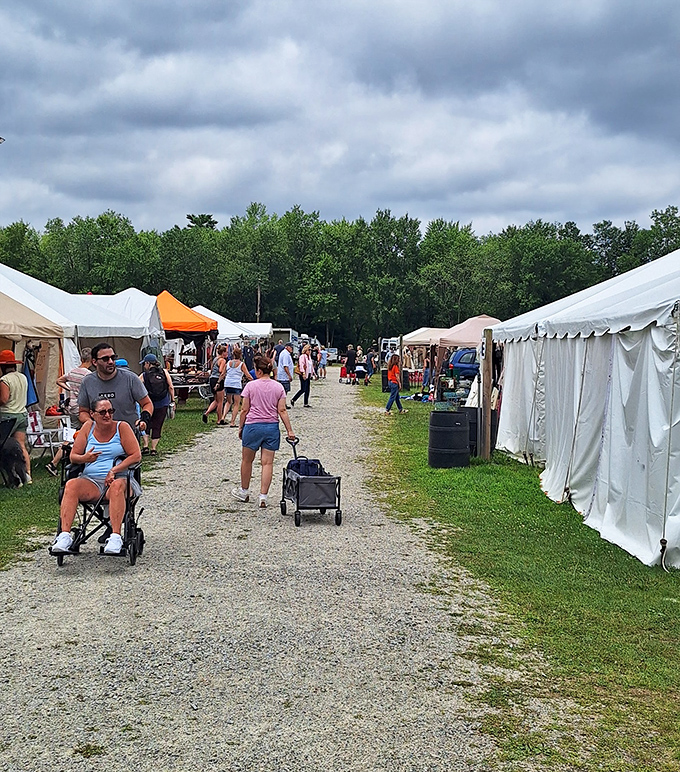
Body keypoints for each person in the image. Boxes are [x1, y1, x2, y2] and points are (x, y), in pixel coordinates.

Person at [51, 398, 142, 555]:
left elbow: (136, 455)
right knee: (71, 485)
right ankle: (64, 536)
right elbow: (73, 456)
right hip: (92, 480)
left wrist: (114, 470)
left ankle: (115, 536)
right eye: (102, 412)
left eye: (110, 411)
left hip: (120, 479)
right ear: (92, 414)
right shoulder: (88, 427)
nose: (107, 415)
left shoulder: (122, 427)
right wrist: (85, 458)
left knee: (116, 487)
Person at [231, 356, 295, 508]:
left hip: (253, 426)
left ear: (259, 371)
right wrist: (289, 430)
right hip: (271, 427)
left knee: (247, 460)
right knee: (267, 463)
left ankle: (244, 491)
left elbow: (244, 409)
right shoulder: (278, 387)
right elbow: (282, 410)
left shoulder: (251, 386)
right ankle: (263, 496)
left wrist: (241, 427)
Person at [78, 344, 152, 434]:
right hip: (99, 436)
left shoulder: (130, 378)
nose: (111, 362)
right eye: (105, 359)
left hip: (128, 435)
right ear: (94, 362)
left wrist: (144, 419)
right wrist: (91, 424)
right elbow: (83, 412)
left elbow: (147, 403)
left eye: (113, 358)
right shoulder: (87, 382)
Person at [0, 349, 31, 483]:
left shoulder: (4, 380)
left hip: (8, 415)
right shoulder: (22, 377)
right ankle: (28, 475)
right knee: (21, 445)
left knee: (4, 447)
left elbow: (4, 399)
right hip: (22, 414)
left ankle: (11, 476)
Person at [139, 354, 175, 455]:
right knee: (157, 425)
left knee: (146, 423)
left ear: (148, 363)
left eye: (144, 364)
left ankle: (145, 446)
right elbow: (171, 387)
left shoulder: (144, 375)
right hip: (162, 402)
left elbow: (136, 385)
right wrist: (172, 400)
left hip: (148, 404)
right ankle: (153, 449)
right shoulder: (164, 372)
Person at [222, 347, 253, 427]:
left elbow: (223, 374)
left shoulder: (228, 363)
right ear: (241, 355)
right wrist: (253, 381)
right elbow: (247, 375)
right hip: (236, 384)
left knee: (228, 402)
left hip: (227, 383)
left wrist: (219, 382)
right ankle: (232, 422)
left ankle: (223, 417)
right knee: (236, 404)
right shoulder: (241, 364)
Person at [204, 344, 227, 424]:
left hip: (212, 379)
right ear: (223, 352)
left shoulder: (215, 359)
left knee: (216, 400)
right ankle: (219, 419)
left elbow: (211, 369)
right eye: (226, 352)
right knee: (220, 401)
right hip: (218, 380)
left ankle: (206, 413)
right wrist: (225, 370)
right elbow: (221, 370)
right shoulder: (222, 360)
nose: (227, 354)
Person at [290, 344, 314, 408]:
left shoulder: (309, 357)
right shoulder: (302, 356)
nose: (310, 351)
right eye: (309, 350)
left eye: (310, 350)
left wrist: (314, 373)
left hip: (308, 374)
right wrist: (303, 373)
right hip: (304, 374)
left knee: (307, 389)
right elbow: (301, 365)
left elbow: (311, 366)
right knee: (303, 389)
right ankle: (293, 399)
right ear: (305, 350)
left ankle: (306, 403)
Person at [276, 341, 295, 408]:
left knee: (284, 391)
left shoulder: (285, 353)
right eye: (291, 347)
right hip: (284, 376)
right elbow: (285, 366)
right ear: (287, 347)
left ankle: (282, 403)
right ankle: (282, 404)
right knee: (284, 391)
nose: (292, 348)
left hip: (283, 375)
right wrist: (289, 375)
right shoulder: (285, 354)